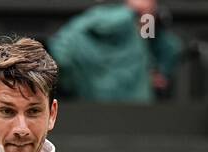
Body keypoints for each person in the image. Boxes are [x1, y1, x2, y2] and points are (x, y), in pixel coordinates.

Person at [48, 0, 181, 103]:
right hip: (102, 107)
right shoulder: (99, 19)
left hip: (129, 109)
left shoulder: (142, 26)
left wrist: (160, 72)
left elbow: (168, 46)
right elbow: (61, 51)